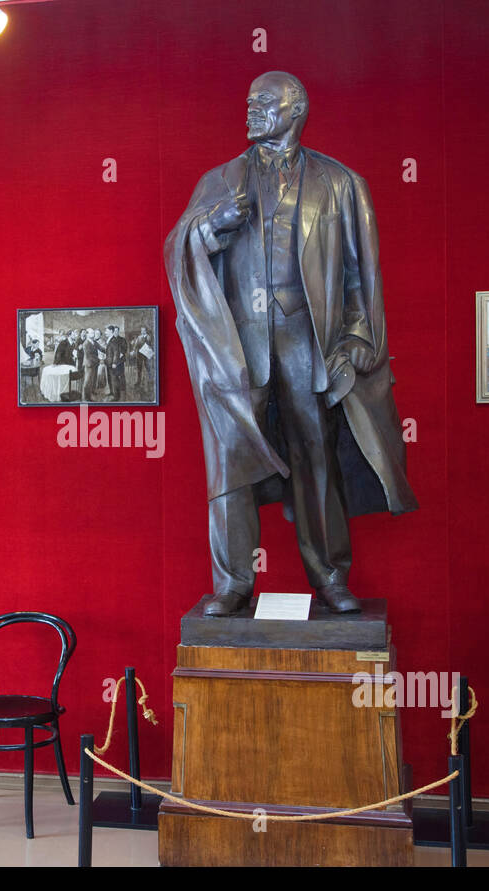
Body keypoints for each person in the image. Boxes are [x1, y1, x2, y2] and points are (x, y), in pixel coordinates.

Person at [165, 70, 417, 617]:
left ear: (296, 108)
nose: (251, 110)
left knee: (315, 454)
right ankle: (232, 583)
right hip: (240, 345)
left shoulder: (341, 184)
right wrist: (212, 227)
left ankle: (330, 577)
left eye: (264, 103)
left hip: (309, 339)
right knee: (230, 458)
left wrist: (356, 339)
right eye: (248, 100)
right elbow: (179, 247)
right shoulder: (221, 180)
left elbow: (362, 277)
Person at [104, 325, 128, 401]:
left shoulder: (113, 340)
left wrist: (114, 362)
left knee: (114, 379)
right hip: (109, 363)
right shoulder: (109, 339)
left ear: (111, 331)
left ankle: (116, 396)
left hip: (113, 363)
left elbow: (116, 352)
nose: (105, 332)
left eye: (106, 331)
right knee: (110, 379)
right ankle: (112, 392)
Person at [81, 328, 102, 403]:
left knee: (93, 379)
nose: (93, 335)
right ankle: (86, 397)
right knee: (88, 381)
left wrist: (109, 351)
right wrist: (99, 360)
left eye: (93, 333)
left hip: (94, 363)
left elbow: (101, 348)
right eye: (91, 333)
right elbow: (89, 356)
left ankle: (92, 391)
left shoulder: (94, 342)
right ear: (87, 334)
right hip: (89, 364)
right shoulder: (86, 343)